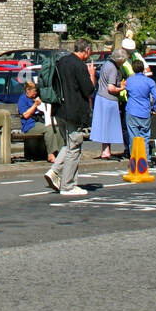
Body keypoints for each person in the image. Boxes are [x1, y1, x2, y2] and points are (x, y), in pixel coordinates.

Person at [45, 37, 95, 197]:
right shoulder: (79, 65)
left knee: (68, 144)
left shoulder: (60, 62)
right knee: (74, 147)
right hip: (74, 111)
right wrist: (91, 75)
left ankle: (54, 172)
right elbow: (88, 90)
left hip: (59, 109)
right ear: (86, 50)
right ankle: (68, 185)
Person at [90, 47, 126, 159]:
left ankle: (105, 151)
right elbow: (111, 88)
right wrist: (122, 88)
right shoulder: (113, 69)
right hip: (109, 99)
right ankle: (106, 152)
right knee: (109, 126)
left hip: (101, 97)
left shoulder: (106, 64)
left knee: (104, 126)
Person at [124, 57, 156, 163]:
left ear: (133, 69)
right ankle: (146, 160)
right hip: (145, 111)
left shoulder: (129, 81)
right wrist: (154, 107)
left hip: (131, 110)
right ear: (143, 69)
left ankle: (134, 160)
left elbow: (126, 93)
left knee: (133, 137)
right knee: (145, 136)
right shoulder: (149, 81)